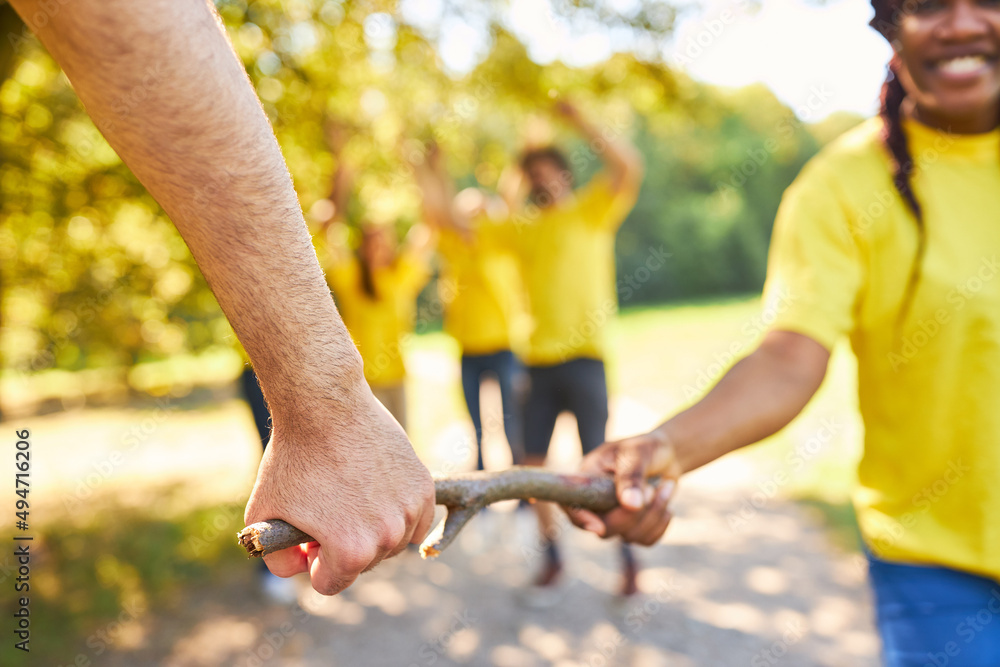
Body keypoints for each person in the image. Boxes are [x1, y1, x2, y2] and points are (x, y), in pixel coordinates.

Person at [571, 0, 1000, 661]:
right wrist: (664, 448)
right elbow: (787, 360)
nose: (964, 23)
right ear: (889, 28)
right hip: (935, 567)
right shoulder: (840, 188)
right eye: (930, 4)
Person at [11, 0, 437, 596]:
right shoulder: (308, 245)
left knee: (305, 464)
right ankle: (283, 557)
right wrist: (324, 401)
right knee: (277, 456)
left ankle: (312, 535)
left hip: (350, 385)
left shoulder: (376, 273)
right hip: (275, 379)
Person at [500, 100, 646, 596]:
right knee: (533, 471)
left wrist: (580, 120)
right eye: (533, 175)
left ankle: (626, 558)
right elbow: (494, 211)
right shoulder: (522, 231)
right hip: (537, 365)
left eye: (549, 171)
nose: (543, 180)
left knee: (600, 465)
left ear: (565, 174)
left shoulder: (591, 209)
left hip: (586, 360)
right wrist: (523, 159)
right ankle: (552, 555)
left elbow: (628, 166)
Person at [412, 142, 527, 469]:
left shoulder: (499, 242)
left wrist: (528, 145)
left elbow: (511, 194)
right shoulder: (452, 246)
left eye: (480, 211)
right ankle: (480, 491)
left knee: (512, 424)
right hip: (469, 351)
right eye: (468, 212)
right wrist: (430, 168)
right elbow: (437, 210)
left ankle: (520, 491)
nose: (474, 218)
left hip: (505, 347)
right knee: (476, 430)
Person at [320, 139, 435, 429]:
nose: (375, 248)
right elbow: (330, 227)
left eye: (382, 241)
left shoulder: (402, 276)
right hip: (359, 385)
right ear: (362, 246)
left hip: (396, 378)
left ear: (391, 245)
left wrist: (417, 167)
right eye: (370, 241)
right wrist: (342, 175)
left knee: (401, 457)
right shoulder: (351, 278)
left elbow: (430, 227)